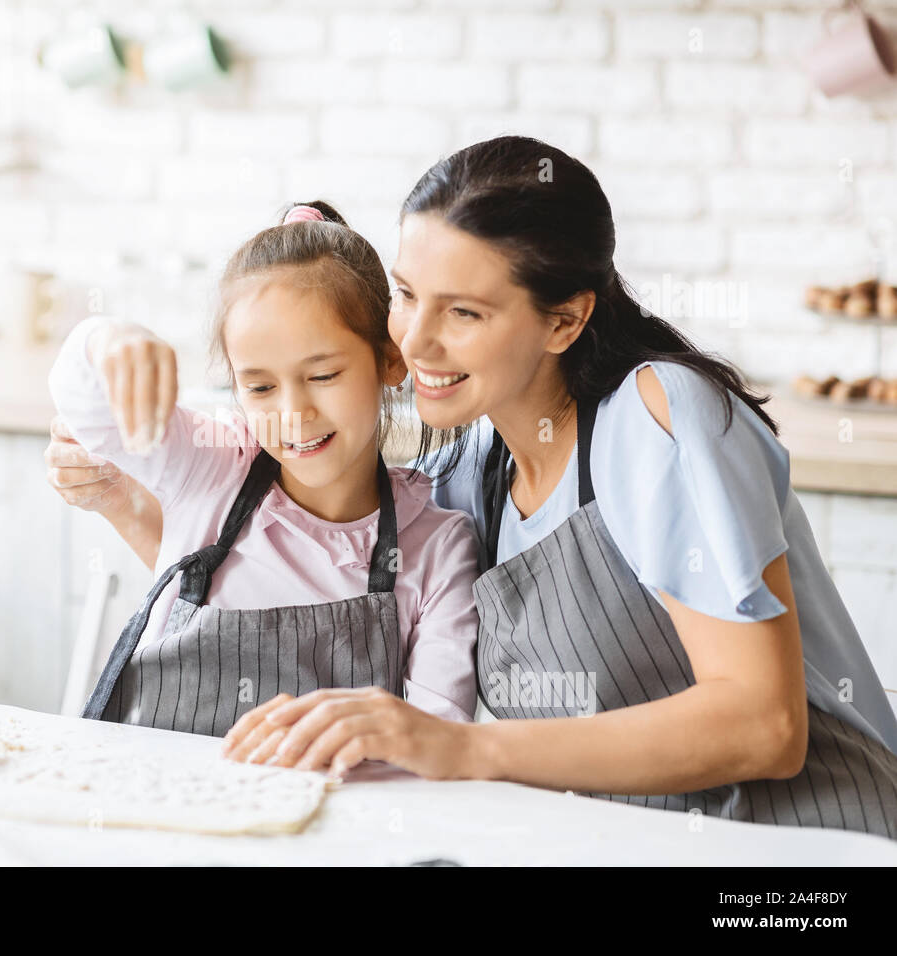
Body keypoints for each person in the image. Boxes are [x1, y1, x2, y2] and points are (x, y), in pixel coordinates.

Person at [49, 138, 897, 839]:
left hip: (803, 842)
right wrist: (136, 507)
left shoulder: (657, 417)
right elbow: (293, 574)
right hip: (635, 836)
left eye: (464, 313)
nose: (414, 342)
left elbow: (765, 728)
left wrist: (465, 747)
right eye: (408, 296)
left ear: (564, 319)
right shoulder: (468, 466)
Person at [46, 201, 480, 737]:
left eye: (323, 375)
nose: (294, 413)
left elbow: (438, 734)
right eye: (260, 387)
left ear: (391, 359)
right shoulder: (210, 463)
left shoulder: (437, 547)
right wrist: (106, 341)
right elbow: (88, 407)